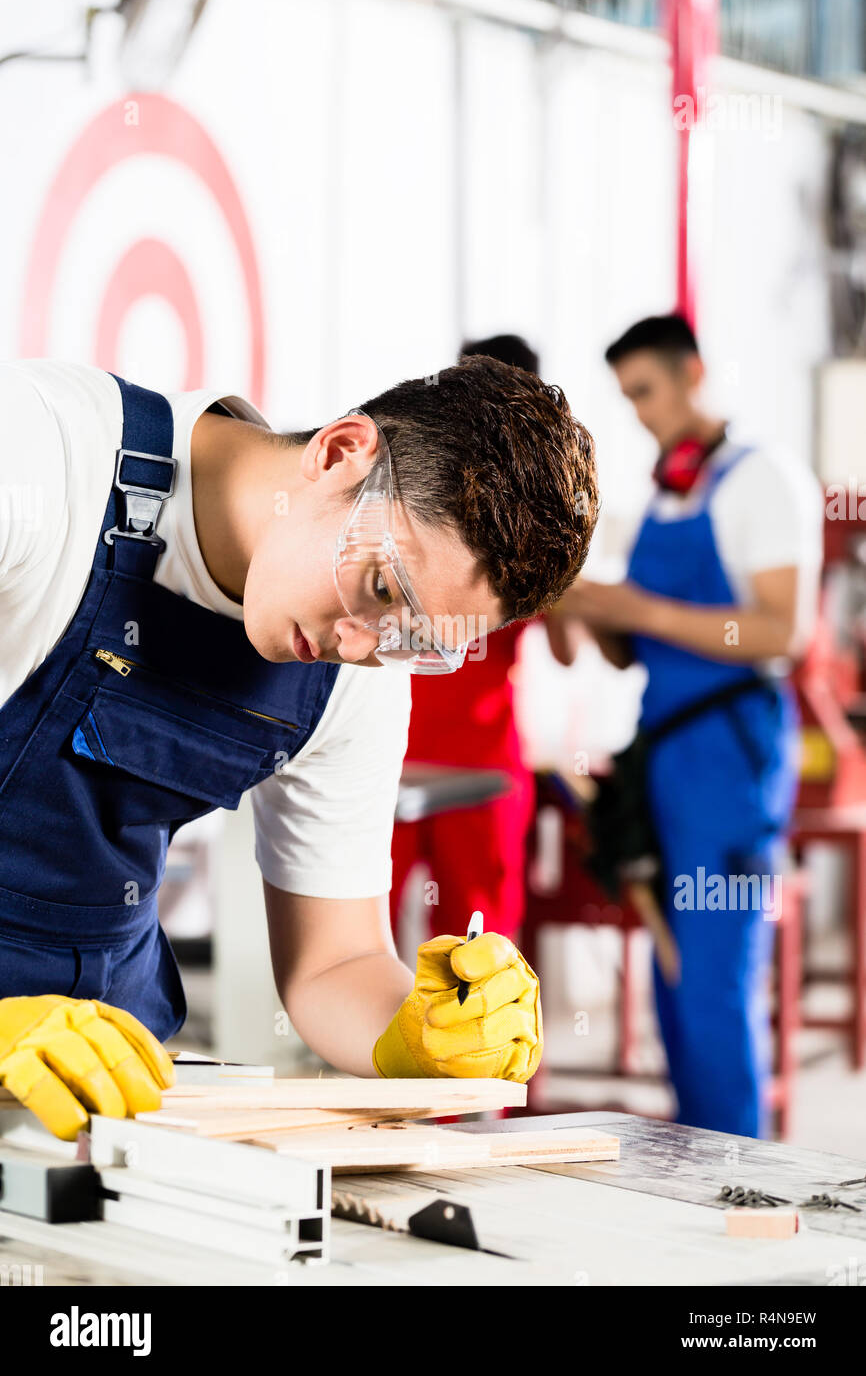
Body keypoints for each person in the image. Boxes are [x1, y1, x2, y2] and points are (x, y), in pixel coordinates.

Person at [0, 354, 598, 1138]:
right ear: (341, 452)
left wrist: (414, 1035)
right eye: (384, 588)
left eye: (416, 638)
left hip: (107, 1084)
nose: (361, 645)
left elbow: (333, 964)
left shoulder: (360, 673)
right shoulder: (34, 462)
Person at [559, 314, 823, 1137]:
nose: (638, 413)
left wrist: (639, 607)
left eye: (646, 391)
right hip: (665, 757)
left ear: (693, 374)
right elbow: (629, 654)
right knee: (676, 985)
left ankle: (739, 1187)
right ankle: (688, 1179)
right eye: (625, 397)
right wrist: (583, 603)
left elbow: (780, 632)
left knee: (714, 981)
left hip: (731, 761)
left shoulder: (764, 480)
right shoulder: (668, 496)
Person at [390, 334, 568, 950]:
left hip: (482, 767)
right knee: (358, 938)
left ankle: (489, 1053)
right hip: (394, 755)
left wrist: (562, 568)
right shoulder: (417, 484)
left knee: (478, 956)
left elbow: (568, 649)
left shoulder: (543, 518)